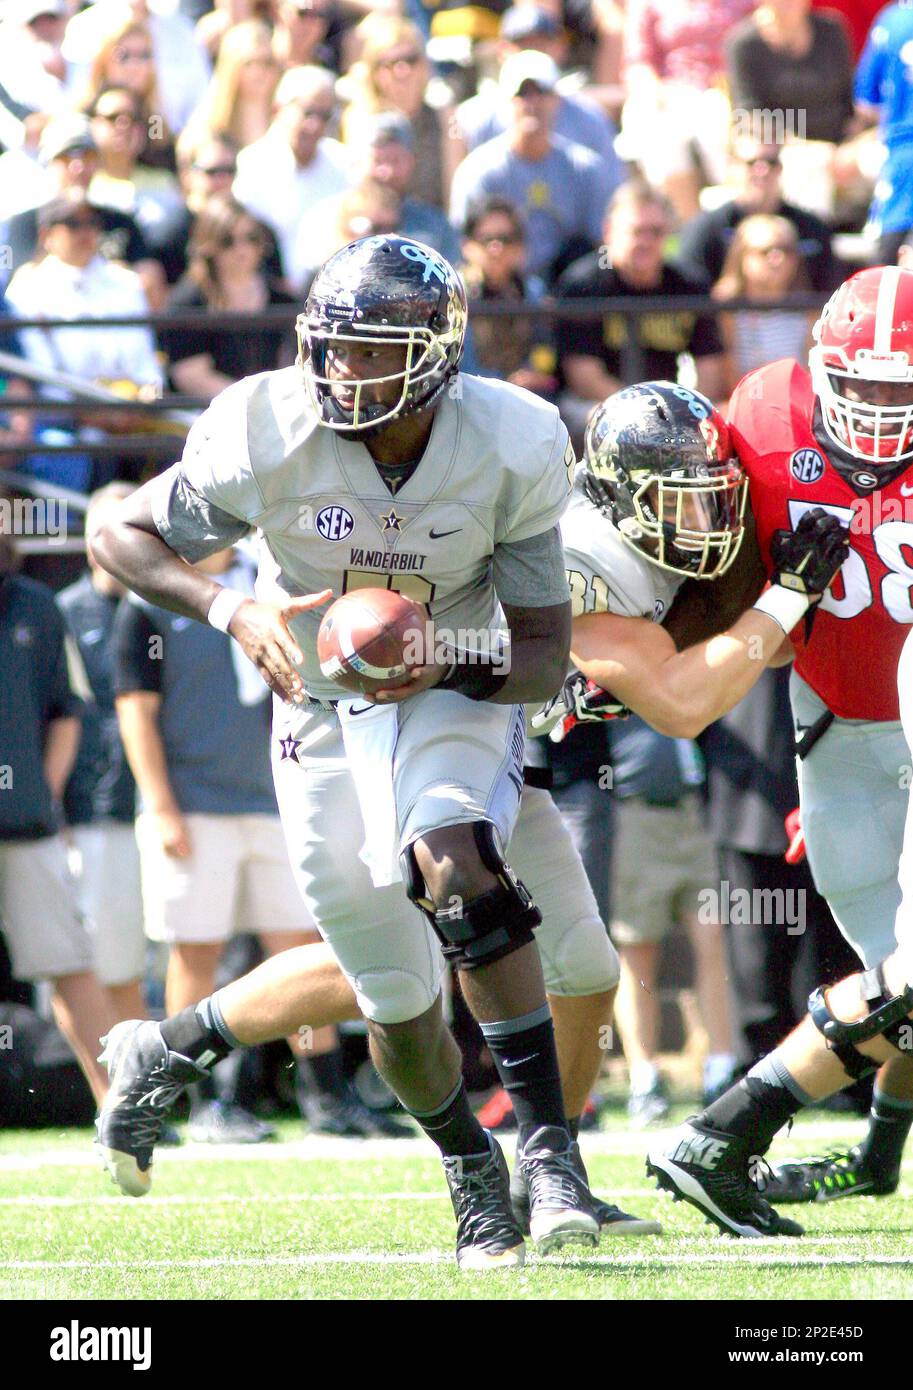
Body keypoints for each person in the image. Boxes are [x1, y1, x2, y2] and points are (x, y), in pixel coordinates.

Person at [89, 367, 844, 1249]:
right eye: (672, 500)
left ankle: (549, 1173)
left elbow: (660, 644)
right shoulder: (578, 550)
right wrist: (782, 596)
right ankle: (181, 1045)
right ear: (608, 495)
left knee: (576, 967)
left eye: (711, 497)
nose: (699, 519)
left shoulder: (587, 497)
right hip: (372, 711)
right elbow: (680, 700)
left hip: (481, 726)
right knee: (405, 974)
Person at [90, 233, 614, 1269]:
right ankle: (470, 1166)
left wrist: (444, 660)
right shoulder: (270, 423)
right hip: (318, 709)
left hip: (452, 691)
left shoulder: (507, 438)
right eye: (331, 347)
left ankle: (547, 1151)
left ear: (431, 353)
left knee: (461, 864)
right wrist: (230, 605)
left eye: (371, 351)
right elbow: (122, 539)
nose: (343, 371)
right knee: (394, 995)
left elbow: (545, 654)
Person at [643, 265, 913, 1233]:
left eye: (901, 388)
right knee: (902, 972)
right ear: (820, 371)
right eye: (865, 385)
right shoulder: (764, 417)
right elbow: (694, 557)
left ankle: (814, 1146)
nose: (880, 409)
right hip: (838, 735)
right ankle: (722, 1137)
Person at [0, 532, 117, 1110]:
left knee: (69, 963)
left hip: (27, 828)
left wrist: (40, 795)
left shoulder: (36, 605)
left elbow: (66, 713)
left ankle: (118, 1107)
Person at [606, 715, 737, 1124]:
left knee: (714, 939)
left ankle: (722, 1071)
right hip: (634, 813)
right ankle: (645, 1080)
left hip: (697, 809)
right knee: (637, 947)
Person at [59, 484, 147, 1024]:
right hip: (94, 816)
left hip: (173, 811)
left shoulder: (169, 604)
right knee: (108, 963)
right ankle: (112, 1088)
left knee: (177, 950)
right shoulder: (60, 612)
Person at [555, 182, 725, 448]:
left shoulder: (688, 284)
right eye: (636, 231)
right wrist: (643, 415)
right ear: (609, 232)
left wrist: (679, 413)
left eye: (656, 232)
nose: (646, 241)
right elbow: (583, 377)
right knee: (592, 421)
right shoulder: (583, 285)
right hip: (598, 404)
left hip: (668, 409)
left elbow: (710, 370)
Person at [449, 49, 619, 283]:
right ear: (506, 102)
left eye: (542, 92)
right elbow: (462, 244)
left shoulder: (585, 169)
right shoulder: (479, 171)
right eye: (522, 94)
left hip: (569, 292)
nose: (532, 103)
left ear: (558, 101)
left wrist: (601, 279)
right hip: (500, 289)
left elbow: (604, 242)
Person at [618, 0, 755, 219]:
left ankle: (736, 218)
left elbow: (759, 39)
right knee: (659, 128)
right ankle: (690, 227)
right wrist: (655, 95)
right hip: (671, 93)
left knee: (718, 122)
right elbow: (637, 63)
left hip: (730, 92)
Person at [158, 194, 296, 401]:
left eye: (251, 238)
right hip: (210, 413)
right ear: (209, 245)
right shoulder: (188, 302)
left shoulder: (282, 300)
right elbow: (190, 376)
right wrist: (253, 402)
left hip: (277, 408)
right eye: (228, 241)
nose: (242, 250)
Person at [453, 4, 622, 168]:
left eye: (540, 44)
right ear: (502, 50)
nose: (532, 53)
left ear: (560, 48)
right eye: (523, 45)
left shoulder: (589, 118)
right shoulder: (472, 119)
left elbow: (610, 188)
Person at [232, 64, 350, 290]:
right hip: (272, 301)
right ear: (278, 109)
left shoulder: (344, 164)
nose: (314, 125)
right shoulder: (252, 164)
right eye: (308, 113)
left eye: (324, 116)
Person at [676, 135, 837, 296]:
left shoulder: (812, 228)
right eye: (751, 163)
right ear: (732, 165)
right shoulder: (706, 229)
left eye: (771, 162)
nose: (762, 171)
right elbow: (692, 293)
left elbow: (829, 291)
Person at [341, 14, 455, 210]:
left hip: (431, 228)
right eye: (391, 63)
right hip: (377, 224)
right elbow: (356, 192)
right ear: (375, 73)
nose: (402, 71)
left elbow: (453, 195)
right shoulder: (360, 119)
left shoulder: (444, 117)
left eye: (410, 60)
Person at [711, 213, 816, 400]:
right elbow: (724, 375)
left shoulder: (809, 311)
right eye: (765, 250)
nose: (777, 258)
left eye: (786, 250)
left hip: (794, 404)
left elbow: (811, 373)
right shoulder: (724, 310)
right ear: (742, 256)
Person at [460, 195, 556, 397]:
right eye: (486, 239)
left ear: (521, 247)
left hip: (520, 399)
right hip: (465, 398)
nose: (496, 249)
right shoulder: (453, 294)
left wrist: (534, 374)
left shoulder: (533, 292)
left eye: (506, 239)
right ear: (467, 245)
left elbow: (545, 351)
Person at [183, 19, 280, 153]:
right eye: (249, 63)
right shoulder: (208, 122)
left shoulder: (283, 115)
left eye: (267, 63)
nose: (259, 72)